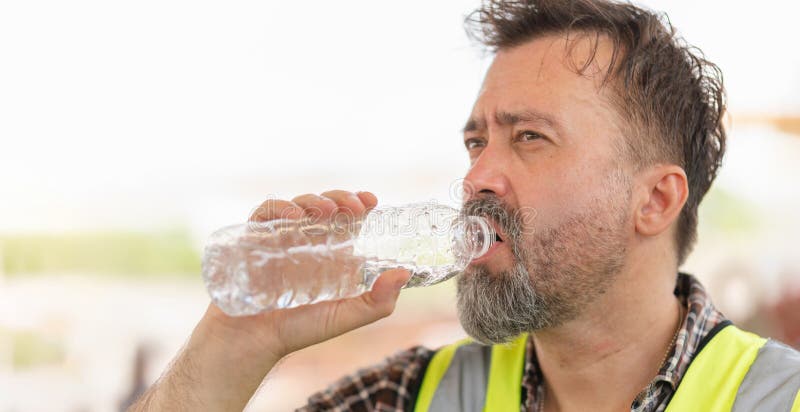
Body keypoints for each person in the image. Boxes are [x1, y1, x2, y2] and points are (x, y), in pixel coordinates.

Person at [130, 0, 800, 411]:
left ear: (655, 200)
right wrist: (235, 344)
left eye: (530, 138)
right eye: (476, 142)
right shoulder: (414, 396)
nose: (477, 176)